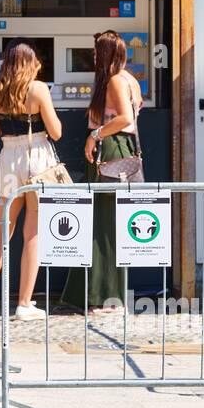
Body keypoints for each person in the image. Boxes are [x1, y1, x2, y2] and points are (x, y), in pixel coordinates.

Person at [62, 30, 143, 312]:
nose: (94, 56)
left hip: (109, 150)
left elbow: (124, 118)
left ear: (106, 53)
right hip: (120, 150)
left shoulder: (115, 81)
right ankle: (104, 293)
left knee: (102, 224)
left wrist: (94, 135)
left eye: (97, 52)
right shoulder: (129, 78)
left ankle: (105, 297)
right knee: (107, 223)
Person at [0, 41, 63, 318]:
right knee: (32, 233)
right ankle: (23, 303)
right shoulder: (39, 89)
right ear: (31, 63)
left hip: (8, 159)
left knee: (1, 234)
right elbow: (56, 132)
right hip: (37, 160)